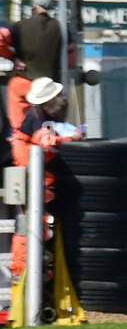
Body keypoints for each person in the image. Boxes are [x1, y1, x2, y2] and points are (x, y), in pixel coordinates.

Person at [8, 77, 82, 280]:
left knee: (33, 226)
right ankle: (22, 271)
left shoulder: (36, 115)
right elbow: (47, 144)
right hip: (35, 180)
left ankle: (27, 271)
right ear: (51, 100)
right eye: (59, 96)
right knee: (31, 226)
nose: (63, 99)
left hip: (35, 177)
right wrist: (71, 138)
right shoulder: (40, 120)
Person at [14, 0, 62, 83]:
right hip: (50, 84)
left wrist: (13, 57)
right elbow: (70, 55)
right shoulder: (59, 27)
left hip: (24, 80)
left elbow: (2, 39)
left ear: (34, 6)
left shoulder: (20, 25)